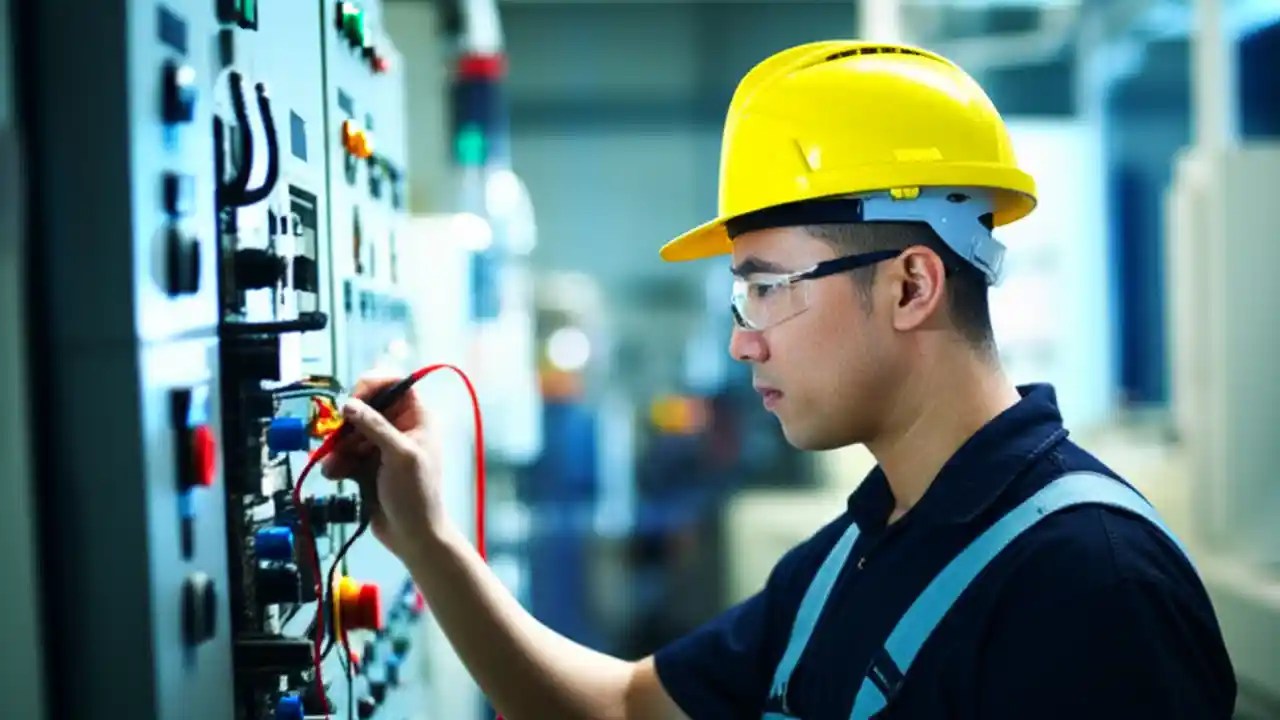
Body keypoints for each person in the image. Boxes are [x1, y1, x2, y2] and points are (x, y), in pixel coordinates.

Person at [323, 40, 1237, 719]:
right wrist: (429, 541)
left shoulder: (1091, 588)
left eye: (767, 288)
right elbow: (623, 711)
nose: (743, 342)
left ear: (911, 283)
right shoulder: (857, 552)